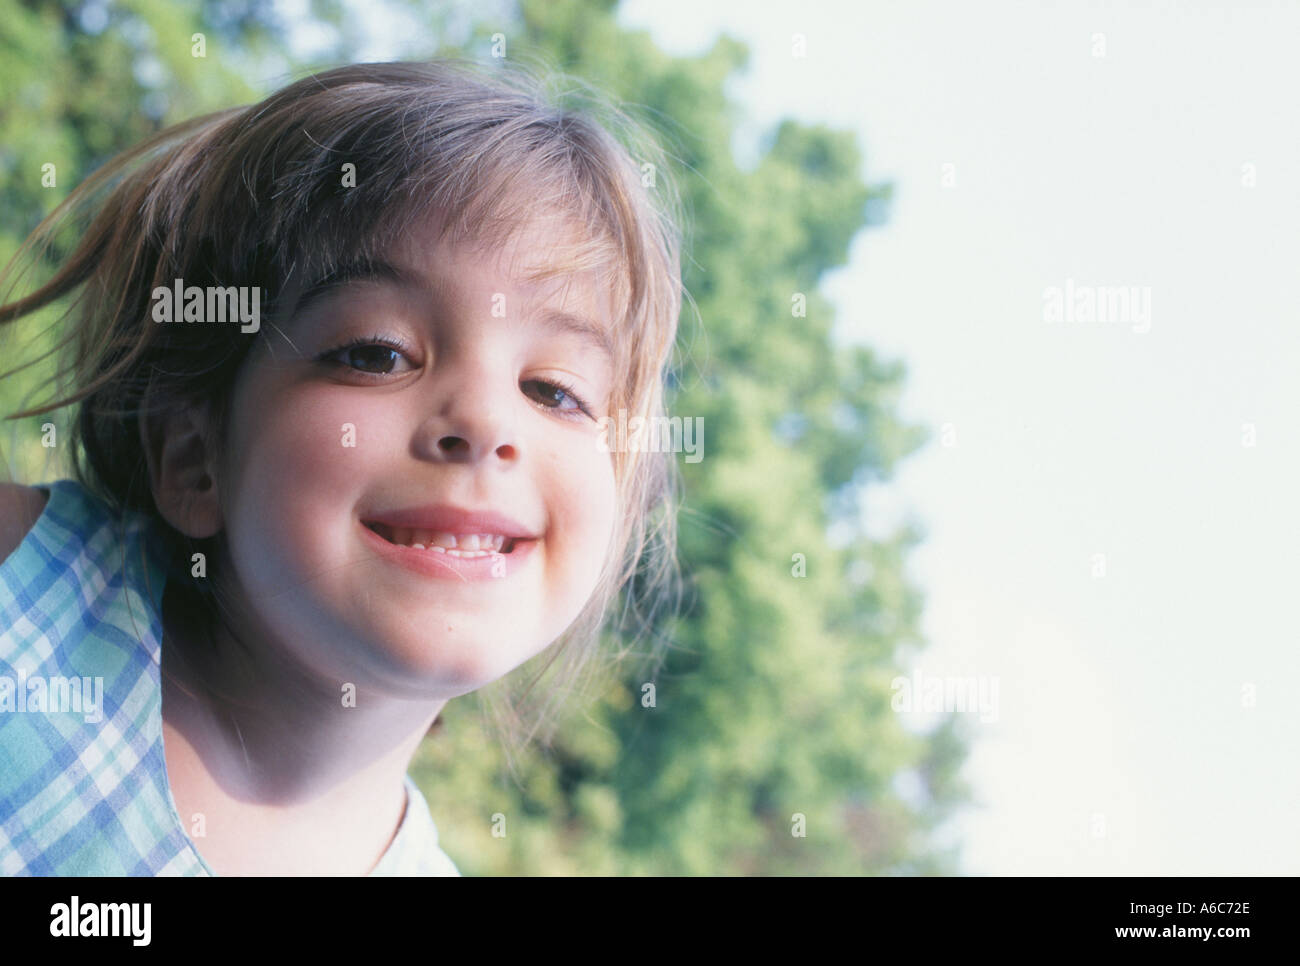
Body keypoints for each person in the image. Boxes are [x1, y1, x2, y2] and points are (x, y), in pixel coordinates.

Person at [0, 59, 684, 875]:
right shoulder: (23, 586)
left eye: (555, 391)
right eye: (378, 353)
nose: (486, 424)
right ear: (194, 456)